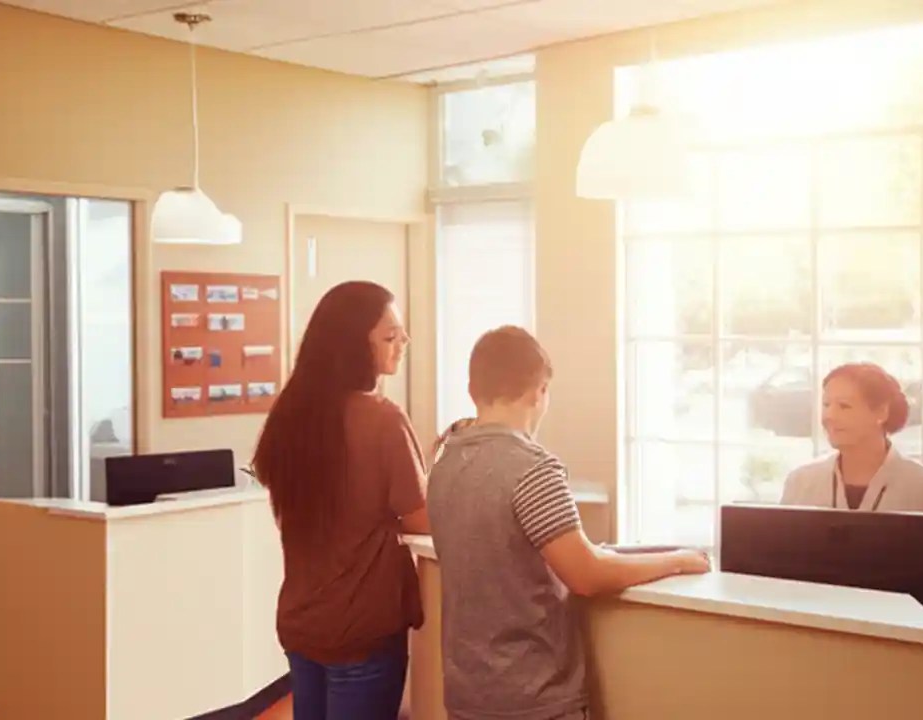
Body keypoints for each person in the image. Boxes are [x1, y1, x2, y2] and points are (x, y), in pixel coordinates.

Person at [428, 326, 710, 720]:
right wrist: (677, 561)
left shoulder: (444, 462)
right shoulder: (532, 468)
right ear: (539, 390)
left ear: (474, 388)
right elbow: (587, 575)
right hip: (533, 698)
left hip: (467, 693)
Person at [252, 280, 430, 720]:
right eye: (391, 336)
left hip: (303, 620)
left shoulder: (290, 416)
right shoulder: (382, 419)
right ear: (355, 346)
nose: (404, 343)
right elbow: (422, 518)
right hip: (361, 626)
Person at [780, 362, 923, 611]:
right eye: (826, 405)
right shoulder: (800, 481)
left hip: (899, 638)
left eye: (844, 406)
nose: (829, 416)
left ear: (881, 412)